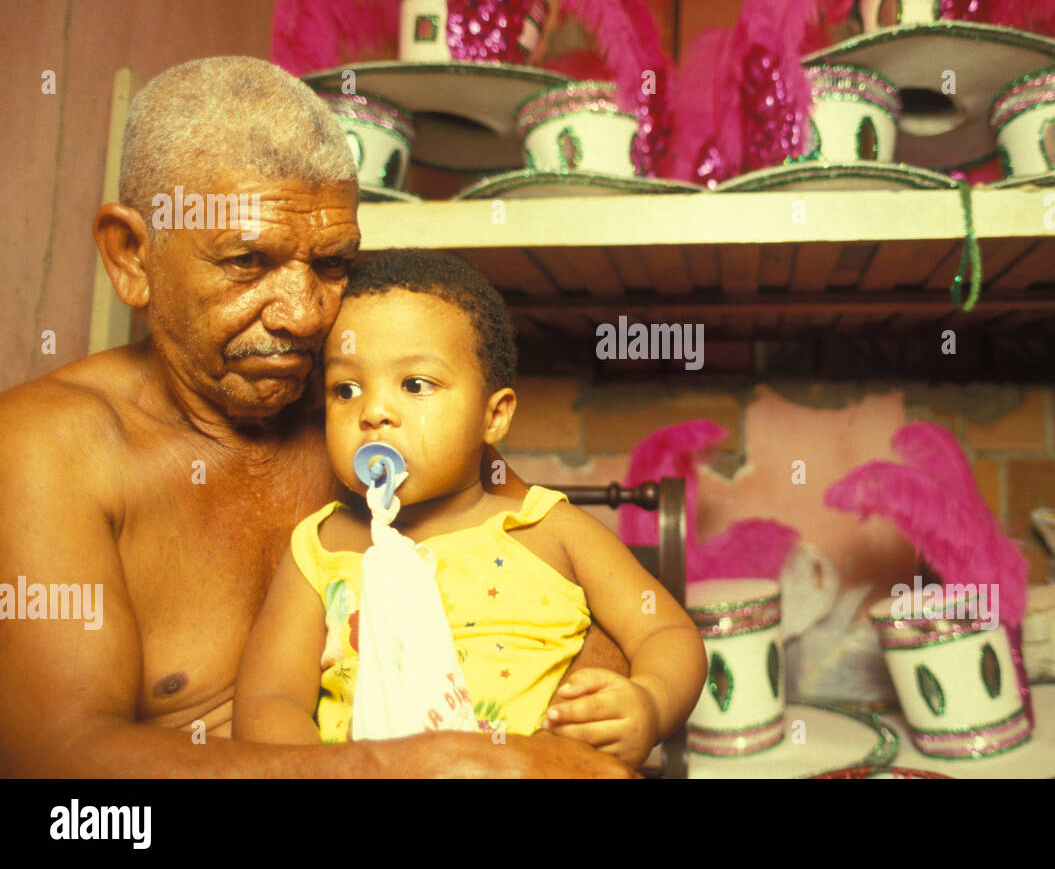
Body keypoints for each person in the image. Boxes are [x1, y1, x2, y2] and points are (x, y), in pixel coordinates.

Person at [0, 56, 633, 777]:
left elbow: (564, 589)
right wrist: (402, 767)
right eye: (246, 260)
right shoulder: (46, 448)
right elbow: (58, 772)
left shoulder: (366, 407)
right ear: (133, 256)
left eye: (333, 264)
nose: (304, 317)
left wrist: (585, 725)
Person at [235, 251, 706, 767]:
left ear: (494, 416)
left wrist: (650, 703)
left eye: (415, 385)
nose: (373, 412)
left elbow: (667, 632)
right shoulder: (321, 548)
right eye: (346, 389)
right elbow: (268, 700)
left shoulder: (549, 530)